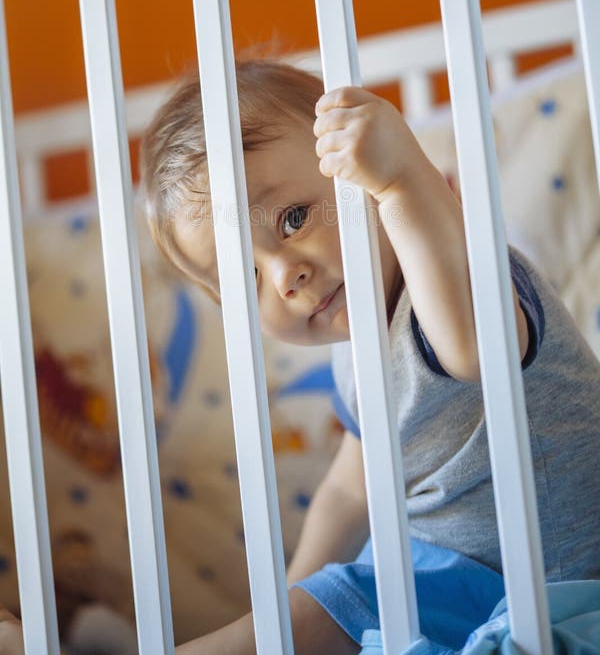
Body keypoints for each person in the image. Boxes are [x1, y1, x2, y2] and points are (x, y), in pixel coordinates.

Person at [1, 59, 599, 654]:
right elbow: (350, 493)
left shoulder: (449, 272)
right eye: (249, 278)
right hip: (463, 596)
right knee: (324, 613)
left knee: (328, 615)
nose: (287, 276)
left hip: (560, 583)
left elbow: (474, 349)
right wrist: (289, 608)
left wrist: (404, 180)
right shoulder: (359, 352)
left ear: (360, 171)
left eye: (292, 218)